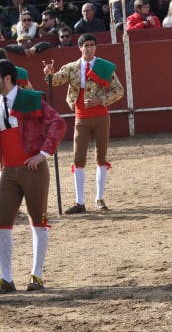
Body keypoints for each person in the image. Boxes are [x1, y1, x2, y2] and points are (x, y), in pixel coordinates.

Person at [0, 59, 67, 293]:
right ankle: (6, 278)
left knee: (37, 222)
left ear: (6, 78)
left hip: (33, 170)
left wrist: (43, 153)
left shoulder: (30, 99)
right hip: (8, 171)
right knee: (2, 223)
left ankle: (36, 276)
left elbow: (58, 123)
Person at [43, 33, 124, 214]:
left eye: (91, 45)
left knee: (101, 157)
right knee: (78, 158)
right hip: (81, 118)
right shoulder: (72, 68)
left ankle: (99, 198)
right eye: (85, 45)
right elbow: (55, 80)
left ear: (95, 47)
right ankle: (80, 202)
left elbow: (119, 90)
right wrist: (49, 74)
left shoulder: (104, 66)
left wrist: (100, 100)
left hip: (101, 116)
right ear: (79, 48)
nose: (88, 49)